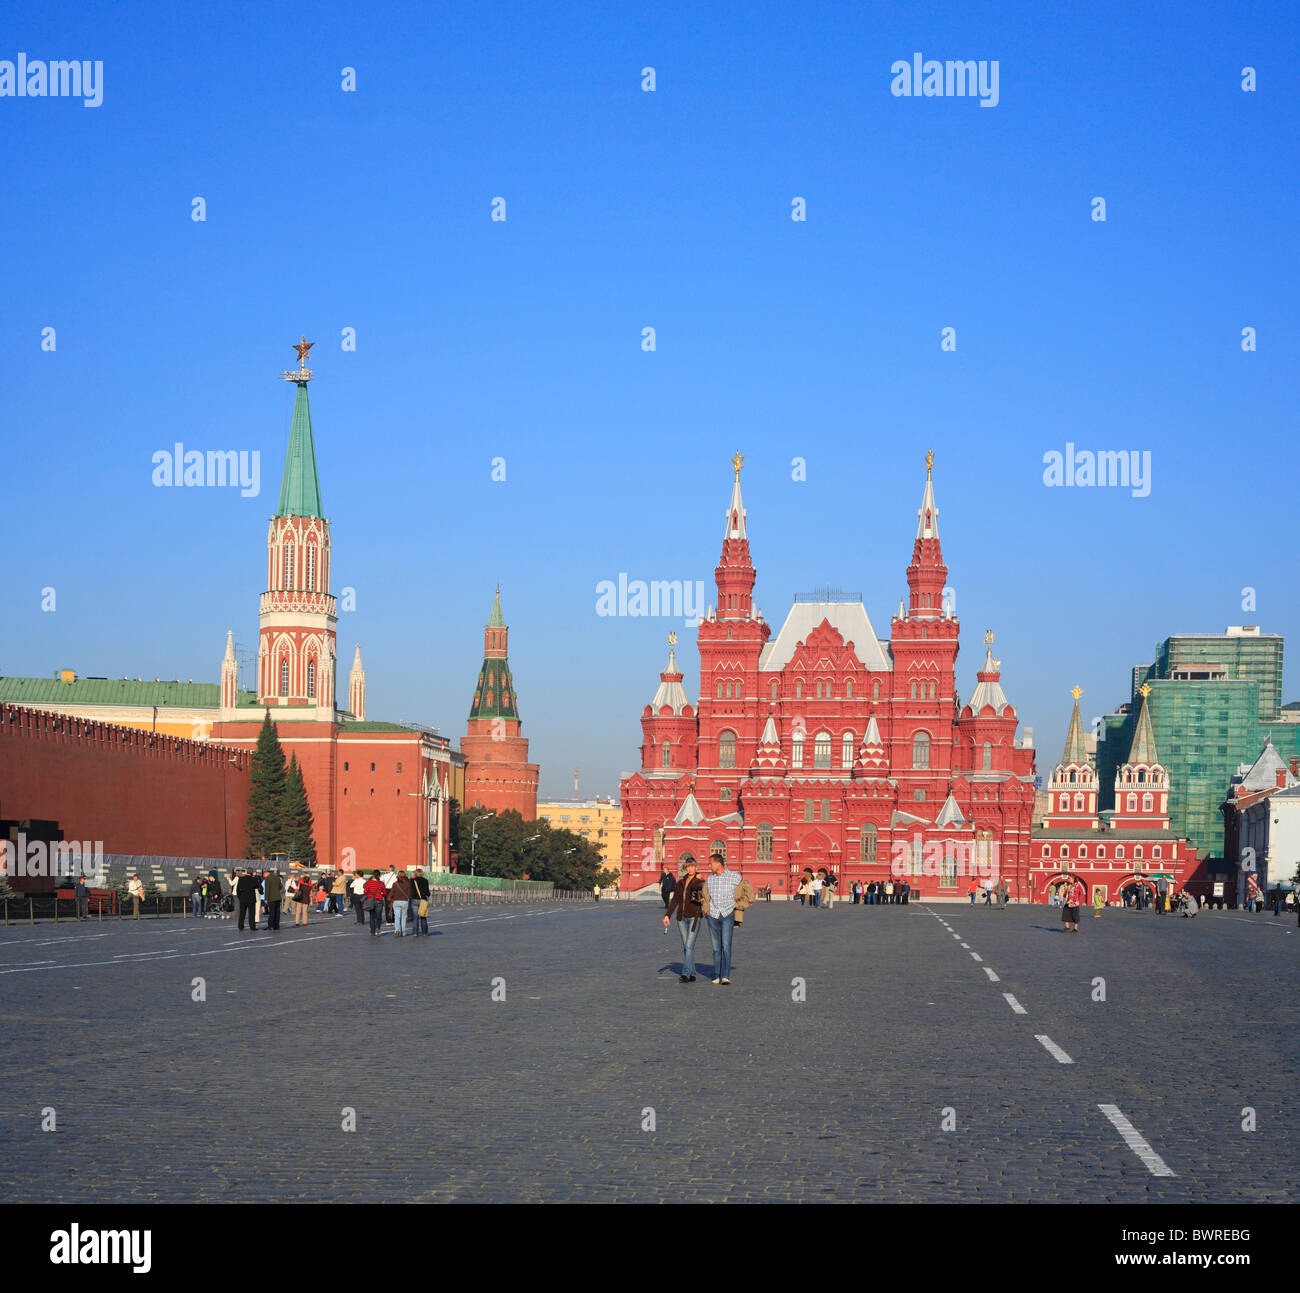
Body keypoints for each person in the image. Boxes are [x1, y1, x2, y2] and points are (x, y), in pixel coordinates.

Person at [662, 857, 705, 982]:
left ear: (696, 867)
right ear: (685, 868)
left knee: (689, 946)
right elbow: (675, 900)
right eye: (688, 866)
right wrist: (667, 915)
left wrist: (699, 879)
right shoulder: (681, 882)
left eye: (692, 866)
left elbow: (701, 886)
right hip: (681, 918)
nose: (690, 868)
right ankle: (692, 973)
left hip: (694, 917)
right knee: (686, 946)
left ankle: (685, 974)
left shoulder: (699, 881)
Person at [703, 852, 741, 985]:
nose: (709, 866)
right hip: (713, 915)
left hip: (727, 915)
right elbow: (705, 896)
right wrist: (706, 910)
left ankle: (725, 975)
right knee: (715, 948)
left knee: (725, 945)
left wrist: (739, 906)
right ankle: (716, 974)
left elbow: (746, 891)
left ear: (718, 863)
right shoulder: (710, 879)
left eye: (710, 863)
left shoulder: (734, 877)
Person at [363, 870, 387, 936]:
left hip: (371, 901)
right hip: (379, 901)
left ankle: (372, 931)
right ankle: (378, 929)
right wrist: (381, 894)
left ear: (373, 875)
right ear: (379, 875)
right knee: (378, 917)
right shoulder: (381, 883)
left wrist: (369, 893)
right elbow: (385, 893)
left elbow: (365, 892)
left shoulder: (369, 882)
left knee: (372, 917)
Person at [410, 868, 432, 936]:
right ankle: (424, 932)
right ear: (422, 873)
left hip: (414, 900)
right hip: (423, 900)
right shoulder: (425, 881)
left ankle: (415, 933)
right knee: (423, 916)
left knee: (415, 917)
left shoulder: (413, 881)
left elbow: (410, 890)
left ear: (416, 873)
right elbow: (428, 892)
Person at [391, 869, 413, 937]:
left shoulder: (395, 884)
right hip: (404, 901)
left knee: (397, 917)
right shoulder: (407, 884)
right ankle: (403, 932)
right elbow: (409, 894)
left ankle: (397, 930)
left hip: (396, 901)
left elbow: (392, 893)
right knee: (403, 917)